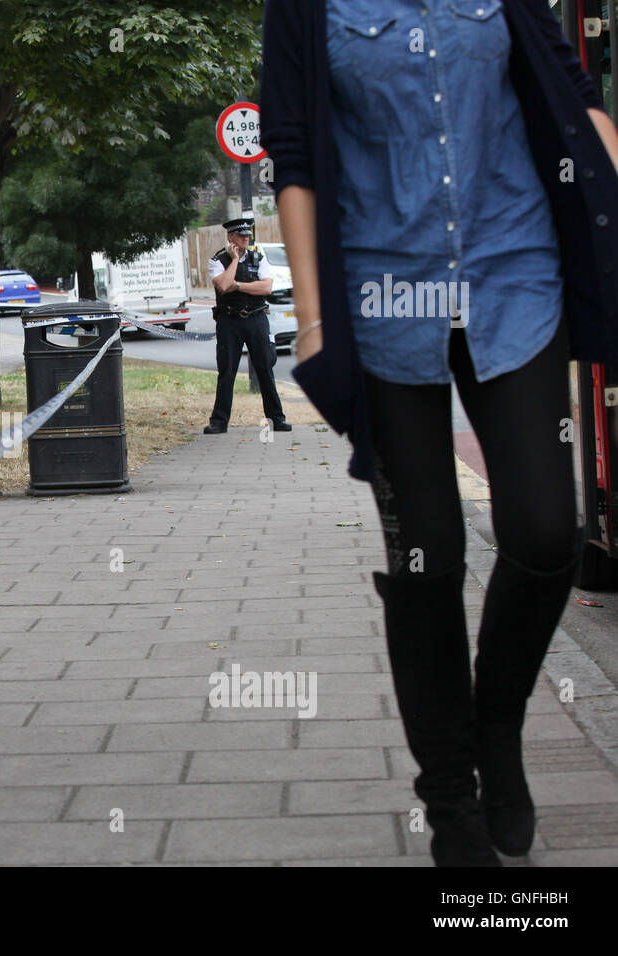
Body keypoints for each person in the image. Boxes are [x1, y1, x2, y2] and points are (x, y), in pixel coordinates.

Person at [262, 0, 618, 866]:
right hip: (383, 288)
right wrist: (313, 325)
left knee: (542, 530)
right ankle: (449, 796)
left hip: (514, 269)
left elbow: (575, 98)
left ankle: (495, 734)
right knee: (427, 549)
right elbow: (298, 161)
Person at [203, 218, 292, 434]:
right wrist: (234, 261)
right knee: (227, 370)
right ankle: (219, 421)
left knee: (265, 368)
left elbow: (266, 288)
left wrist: (239, 286)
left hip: (256, 318)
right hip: (229, 320)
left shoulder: (258, 259)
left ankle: (276, 418)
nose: (246, 239)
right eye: (241, 236)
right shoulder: (218, 261)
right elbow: (224, 285)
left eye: (247, 236)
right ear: (230, 237)